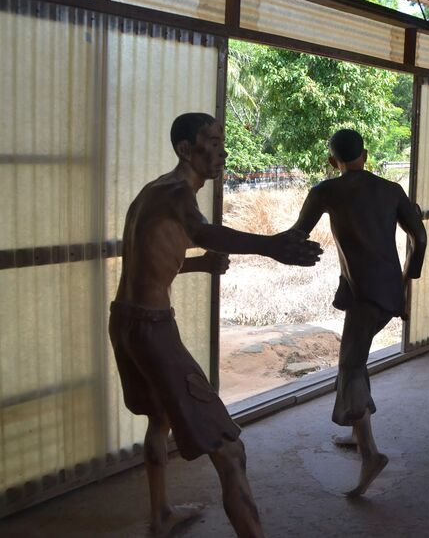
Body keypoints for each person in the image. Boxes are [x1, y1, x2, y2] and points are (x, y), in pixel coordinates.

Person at [109, 112, 322, 537]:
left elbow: (144, 263)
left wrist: (198, 266)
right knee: (230, 451)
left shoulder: (152, 192)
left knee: (158, 418)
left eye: (222, 140)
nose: (222, 150)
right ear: (186, 150)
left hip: (125, 321)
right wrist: (271, 246)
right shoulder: (177, 192)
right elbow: (204, 231)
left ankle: (161, 515)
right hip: (152, 329)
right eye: (212, 140)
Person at [291, 128, 427, 497]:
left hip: (364, 292)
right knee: (356, 358)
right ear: (365, 155)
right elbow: (420, 236)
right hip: (384, 289)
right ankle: (357, 431)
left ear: (331, 160)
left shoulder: (325, 192)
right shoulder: (391, 190)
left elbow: (297, 234)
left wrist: (267, 247)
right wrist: (407, 279)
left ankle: (370, 454)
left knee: (350, 365)